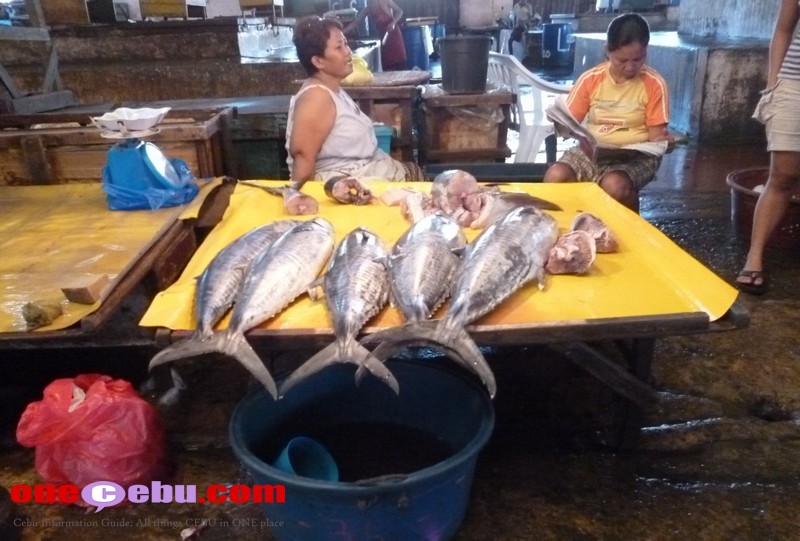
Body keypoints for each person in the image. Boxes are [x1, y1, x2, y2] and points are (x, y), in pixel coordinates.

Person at [543, 13, 672, 212]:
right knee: (555, 176)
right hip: (593, 154)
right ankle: (572, 225)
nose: (630, 67)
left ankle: (631, 222)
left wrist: (665, 143)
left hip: (636, 158)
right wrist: (560, 123)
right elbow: (569, 123)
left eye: (638, 59)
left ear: (646, 51)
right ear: (607, 51)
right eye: (622, 60)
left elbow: (656, 137)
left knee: (614, 186)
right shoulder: (591, 80)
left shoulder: (654, 84)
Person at [286, 16, 423, 187]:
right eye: (339, 47)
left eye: (345, 44)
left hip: (376, 174)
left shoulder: (333, 88)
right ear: (318, 61)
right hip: (346, 190)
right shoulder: (316, 98)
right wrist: (300, 198)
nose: (347, 51)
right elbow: (303, 160)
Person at [736, 0, 800, 295]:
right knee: (783, 175)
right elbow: (784, 28)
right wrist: (774, 83)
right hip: (794, 84)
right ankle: (755, 255)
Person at [345, 0, 407, 71]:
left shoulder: (386, 1)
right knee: (388, 63)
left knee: (399, 61)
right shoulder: (368, 9)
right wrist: (342, 32)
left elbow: (400, 11)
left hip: (394, 35)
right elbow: (355, 23)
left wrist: (393, 23)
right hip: (383, 38)